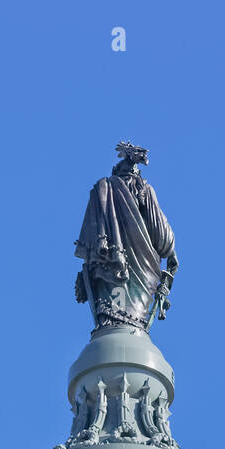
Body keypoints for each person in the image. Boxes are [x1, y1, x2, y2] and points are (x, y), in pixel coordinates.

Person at [75, 142, 178, 331]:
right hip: (141, 267)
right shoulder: (144, 191)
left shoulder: (103, 189)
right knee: (128, 314)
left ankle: (111, 324)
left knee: (112, 304)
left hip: (107, 265)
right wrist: (171, 251)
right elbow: (161, 238)